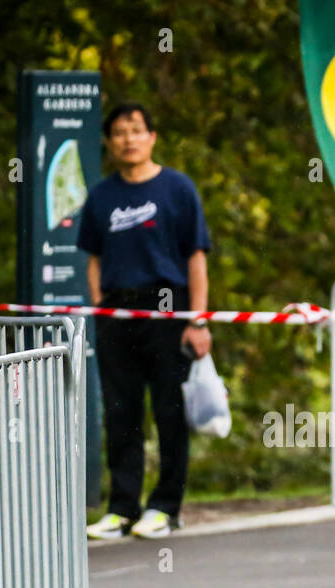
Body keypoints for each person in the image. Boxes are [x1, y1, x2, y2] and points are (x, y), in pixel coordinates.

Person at [80, 102, 210, 541]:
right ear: (110, 142)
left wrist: (197, 320)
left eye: (136, 130)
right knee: (121, 412)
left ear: (151, 137)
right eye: (119, 132)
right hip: (117, 312)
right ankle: (122, 508)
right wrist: (101, 306)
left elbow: (196, 258)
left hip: (168, 307)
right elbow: (93, 259)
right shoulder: (101, 196)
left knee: (169, 409)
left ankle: (166, 506)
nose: (128, 139)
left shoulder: (178, 188)